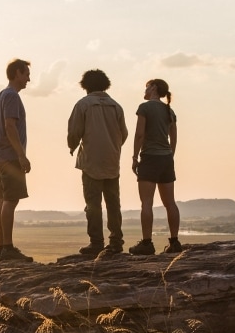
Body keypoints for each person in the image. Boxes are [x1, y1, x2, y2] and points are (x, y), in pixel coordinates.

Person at [67, 69, 128, 256]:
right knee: (113, 203)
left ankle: (96, 243)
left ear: (85, 86)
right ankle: (116, 241)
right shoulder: (116, 106)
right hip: (112, 160)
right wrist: (113, 146)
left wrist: (72, 146)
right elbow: (123, 133)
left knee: (93, 204)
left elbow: (74, 132)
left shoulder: (83, 105)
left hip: (91, 161)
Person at [128, 78, 183, 255]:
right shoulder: (169, 110)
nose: (144, 90)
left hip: (150, 157)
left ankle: (147, 243)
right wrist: (170, 156)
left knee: (146, 203)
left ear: (154, 88)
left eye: (146, 87)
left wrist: (135, 157)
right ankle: (174, 242)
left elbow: (139, 134)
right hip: (166, 158)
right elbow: (173, 138)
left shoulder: (145, 108)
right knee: (170, 203)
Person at [0, 58, 33, 262]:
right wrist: (21, 155)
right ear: (17, 73)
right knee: (10, 199)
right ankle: (7, 247)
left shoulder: (0, 96)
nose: (28, 79)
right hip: (10, 156)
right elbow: (10, 126)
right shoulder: (11, 97)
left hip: (0, 155)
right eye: (26, 74)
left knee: (3, 199)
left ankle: (2, 247)